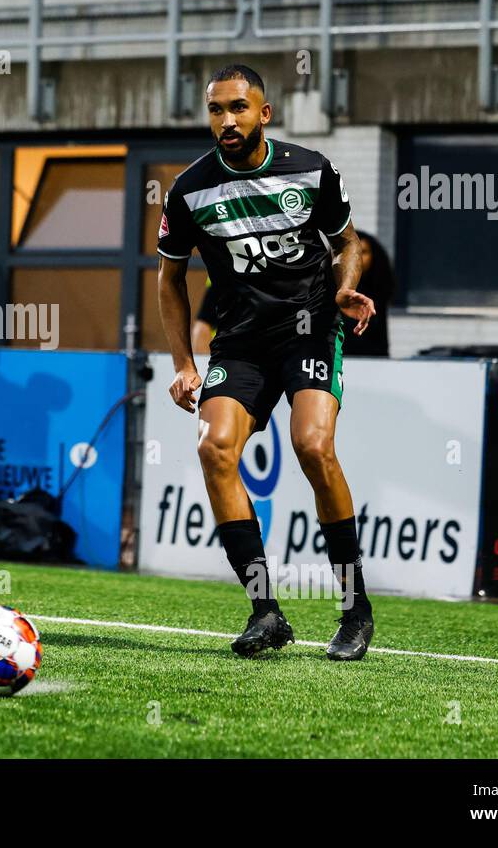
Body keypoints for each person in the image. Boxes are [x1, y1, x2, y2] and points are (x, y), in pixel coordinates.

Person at [156, 63, 378, 662]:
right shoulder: (189, 190)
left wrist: (343, 287)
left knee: (312, 445)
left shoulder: (311, 169)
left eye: (238, 108)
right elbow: (170, 278)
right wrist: (183, 362)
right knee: (214, 448)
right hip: (242, 342)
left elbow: (349, 241)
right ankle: (266, 612)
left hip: (308, 331)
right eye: (216, 110)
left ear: (264, 113)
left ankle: (355, 609)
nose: (226, 120)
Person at [340, 229, 392, 357]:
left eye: (363, 252)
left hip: (370, 362)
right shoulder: (327, 288)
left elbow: (380, 340)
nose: (358, 257)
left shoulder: (379, 290)